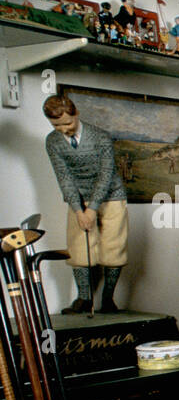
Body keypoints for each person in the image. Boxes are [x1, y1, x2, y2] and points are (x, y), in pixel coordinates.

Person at [42, 94, 129, 314]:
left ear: (76, 114)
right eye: (57, 125)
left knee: (113, 248)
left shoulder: (100, 137)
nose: (63, 129)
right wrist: (79, 209)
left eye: (67, 123)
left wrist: (93, 208)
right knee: (79, 248)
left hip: (111, 194)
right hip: (78, 198)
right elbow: (64, 177)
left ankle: (108, 300)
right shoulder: (52, 141)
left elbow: (106, 173)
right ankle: (84, 299)